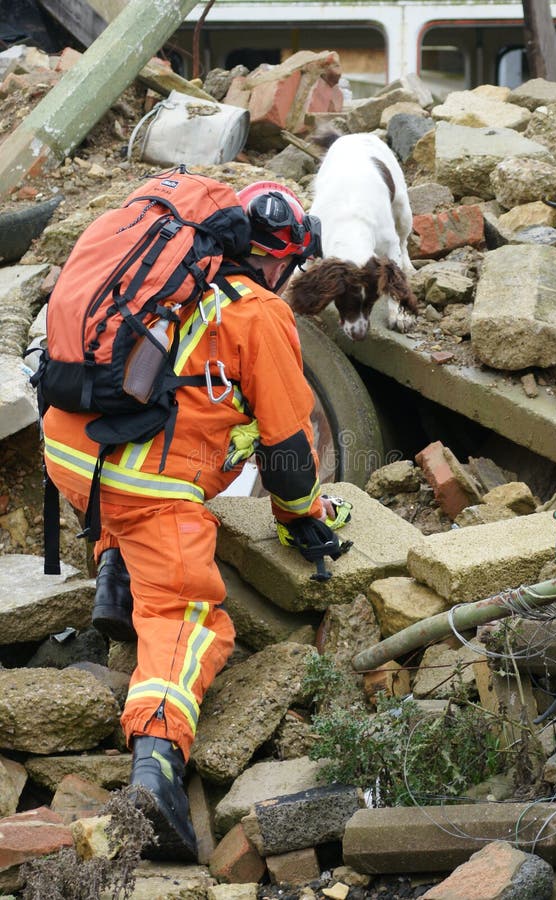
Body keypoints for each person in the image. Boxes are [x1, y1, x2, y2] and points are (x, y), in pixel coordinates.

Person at [41, 180, 339, 862]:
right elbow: (290, 451)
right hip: (139, 486)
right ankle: (156, 773)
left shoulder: (160, 278)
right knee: (187, 617)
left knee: (156, 474)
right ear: (276, 260)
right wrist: (302, 519)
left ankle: (115, 577)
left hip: (66, 456)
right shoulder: (258, 312)